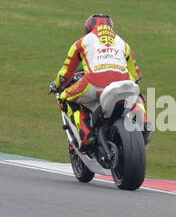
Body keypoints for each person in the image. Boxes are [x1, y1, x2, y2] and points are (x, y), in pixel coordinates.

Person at [49, 14, 147, 151]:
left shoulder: (82, 42)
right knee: (138, 96)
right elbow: (136, 74)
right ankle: (145, 124)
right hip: (123, 83)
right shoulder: (123, 43)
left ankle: (86, 134)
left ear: (88, 28)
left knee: (64, 98)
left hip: (93, 84)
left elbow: (66, 72)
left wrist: (57, 85)